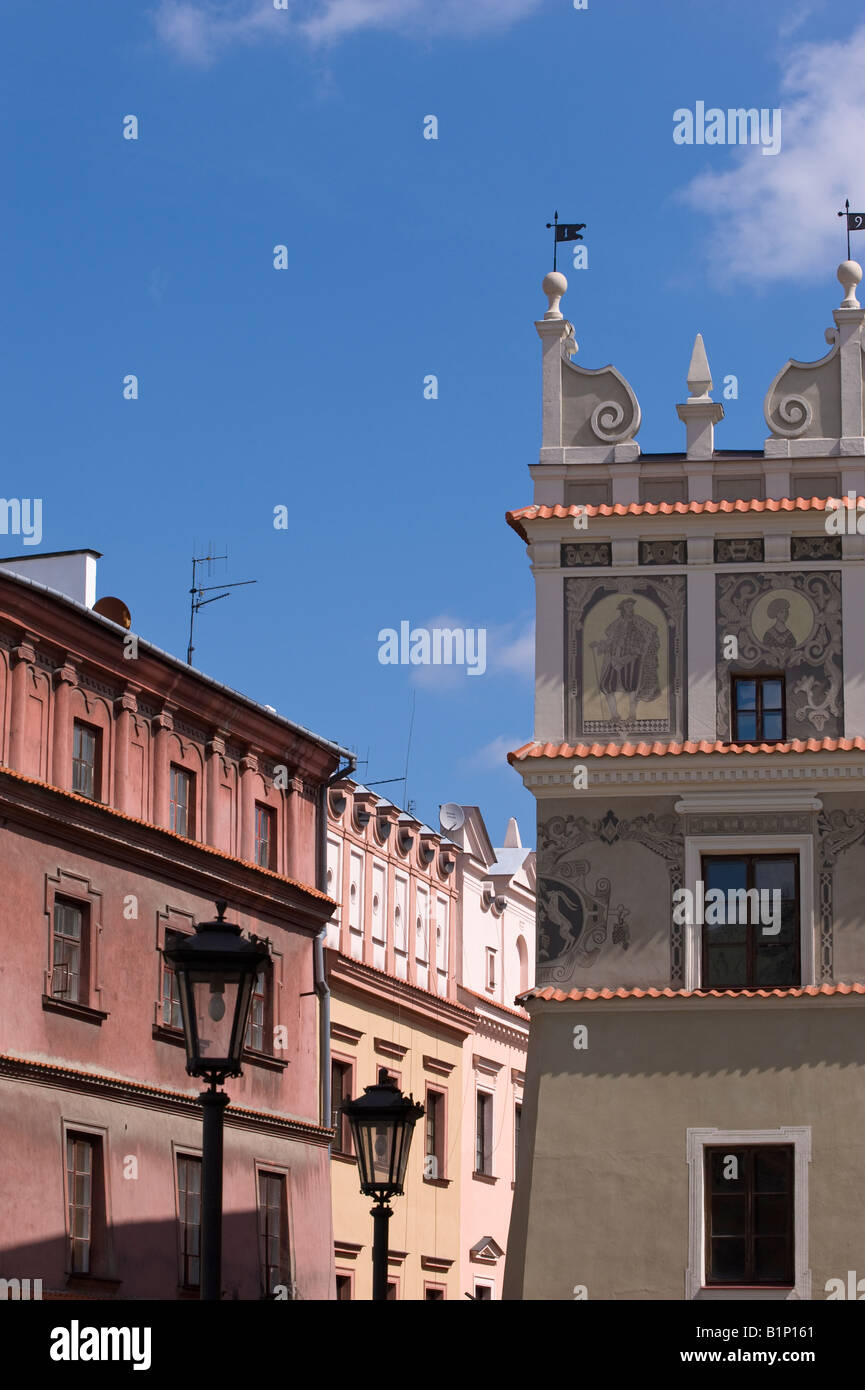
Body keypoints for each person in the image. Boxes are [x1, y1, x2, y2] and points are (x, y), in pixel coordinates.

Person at [590, 598, 660, 724]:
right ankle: (615, 716)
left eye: (631, 606)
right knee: (606, 685)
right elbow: (610, 641)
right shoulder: (617, 624)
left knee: (632, 686)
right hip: (615, 659)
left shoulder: (639, 622)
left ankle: (632, 716)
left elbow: (650, 634)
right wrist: (598, 645)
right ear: (622, 609)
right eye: (627, 606)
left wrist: (640, 650)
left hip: (631, 658)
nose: (630, 609)